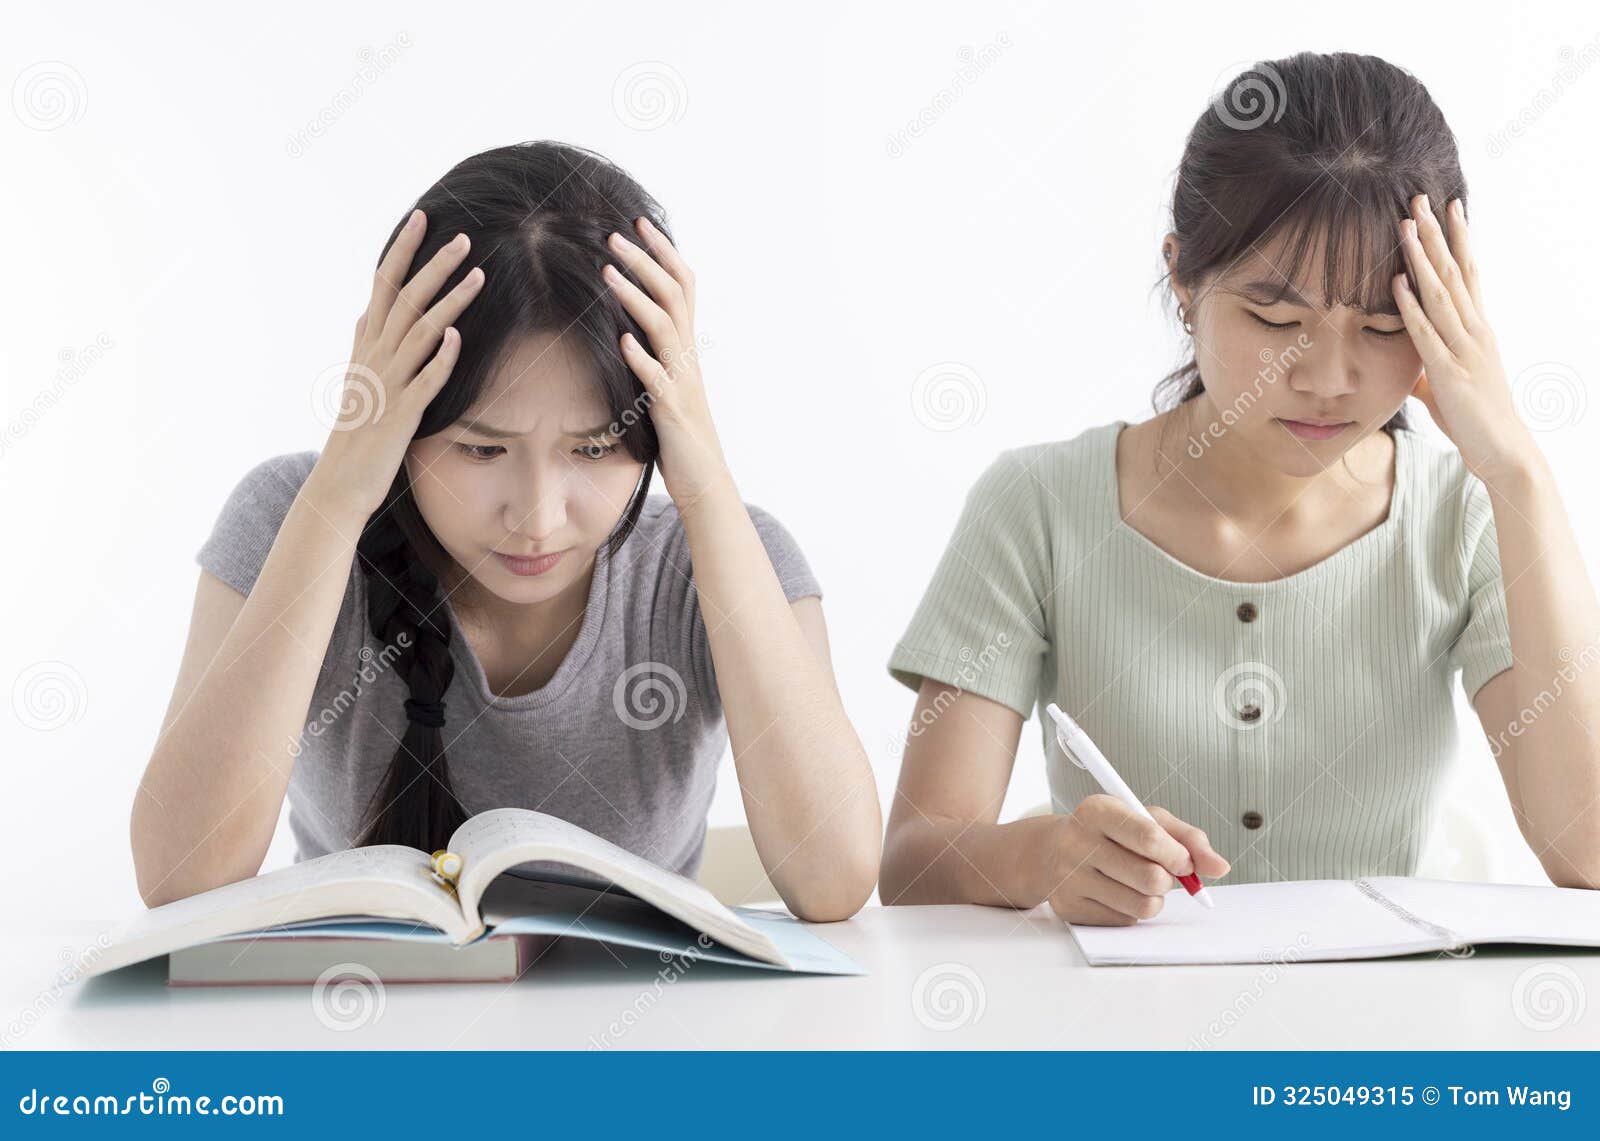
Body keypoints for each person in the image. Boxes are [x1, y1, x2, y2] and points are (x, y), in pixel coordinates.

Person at [881, 51, 1600, 926]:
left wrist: (1517, 465)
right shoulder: (1038, 505)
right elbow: (914, 861)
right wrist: (1043, 854)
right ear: (1183, 279)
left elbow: (1586, 848)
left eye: (1382, 324)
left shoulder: (1467, 513)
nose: (1330, 376)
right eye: (1276, 319)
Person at [132, 141, 881, 922]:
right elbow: (182, 877)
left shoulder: (721, 560)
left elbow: (832, 880)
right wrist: (344, 485)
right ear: (405, 416)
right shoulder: (292, 516)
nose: (538, 517)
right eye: (483, 448)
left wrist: (706, 486)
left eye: (594, 447)